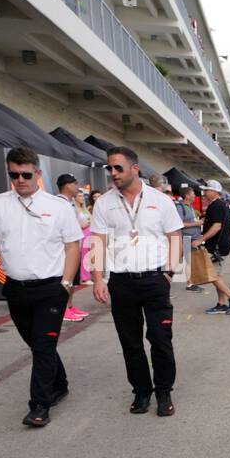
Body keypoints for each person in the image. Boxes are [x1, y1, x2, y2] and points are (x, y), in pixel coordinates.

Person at [0, 147, 83, 428]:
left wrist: (67, 284)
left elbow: (72, 247)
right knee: (36, 343)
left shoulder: (58, 207)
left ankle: (39, 406)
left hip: (50, 289)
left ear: (38, 173)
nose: (20, 179)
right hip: (16, 289)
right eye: (14, 175)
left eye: (26, 174)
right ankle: (60, 383)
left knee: (43, 344)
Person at [88, 146, 183, 417]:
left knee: (161, 339)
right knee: (130, 342)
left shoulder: (160, 200)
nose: (113, 173)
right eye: (109, 168)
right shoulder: (105, 203)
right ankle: (142, 392)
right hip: (122, 282)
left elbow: (175, 236)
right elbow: (98, 243)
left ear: (134, 168)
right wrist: (98, 279)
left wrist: (168, 273)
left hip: (155, 280)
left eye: (118, 167)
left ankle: (164, 392)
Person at [194, 180, 230, 314]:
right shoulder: (223, 204)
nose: (204, 193)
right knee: (217, 275)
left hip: (216, 246)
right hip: (222, 244)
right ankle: (221, 303)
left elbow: (217, 226)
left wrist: (201, 239)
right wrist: (226, 233)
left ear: (214, 192)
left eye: (206, 190)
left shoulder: (215, 206)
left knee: (212, 275)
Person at [55, 173, 91, 321]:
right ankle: (63, 308)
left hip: (74, 247)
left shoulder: (70, 203)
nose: (78, 187)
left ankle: (69, 306)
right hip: (64, 250)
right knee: (66, 280)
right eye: (75, 184)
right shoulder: (58, 203)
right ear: (67, 185)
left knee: (72, 281)